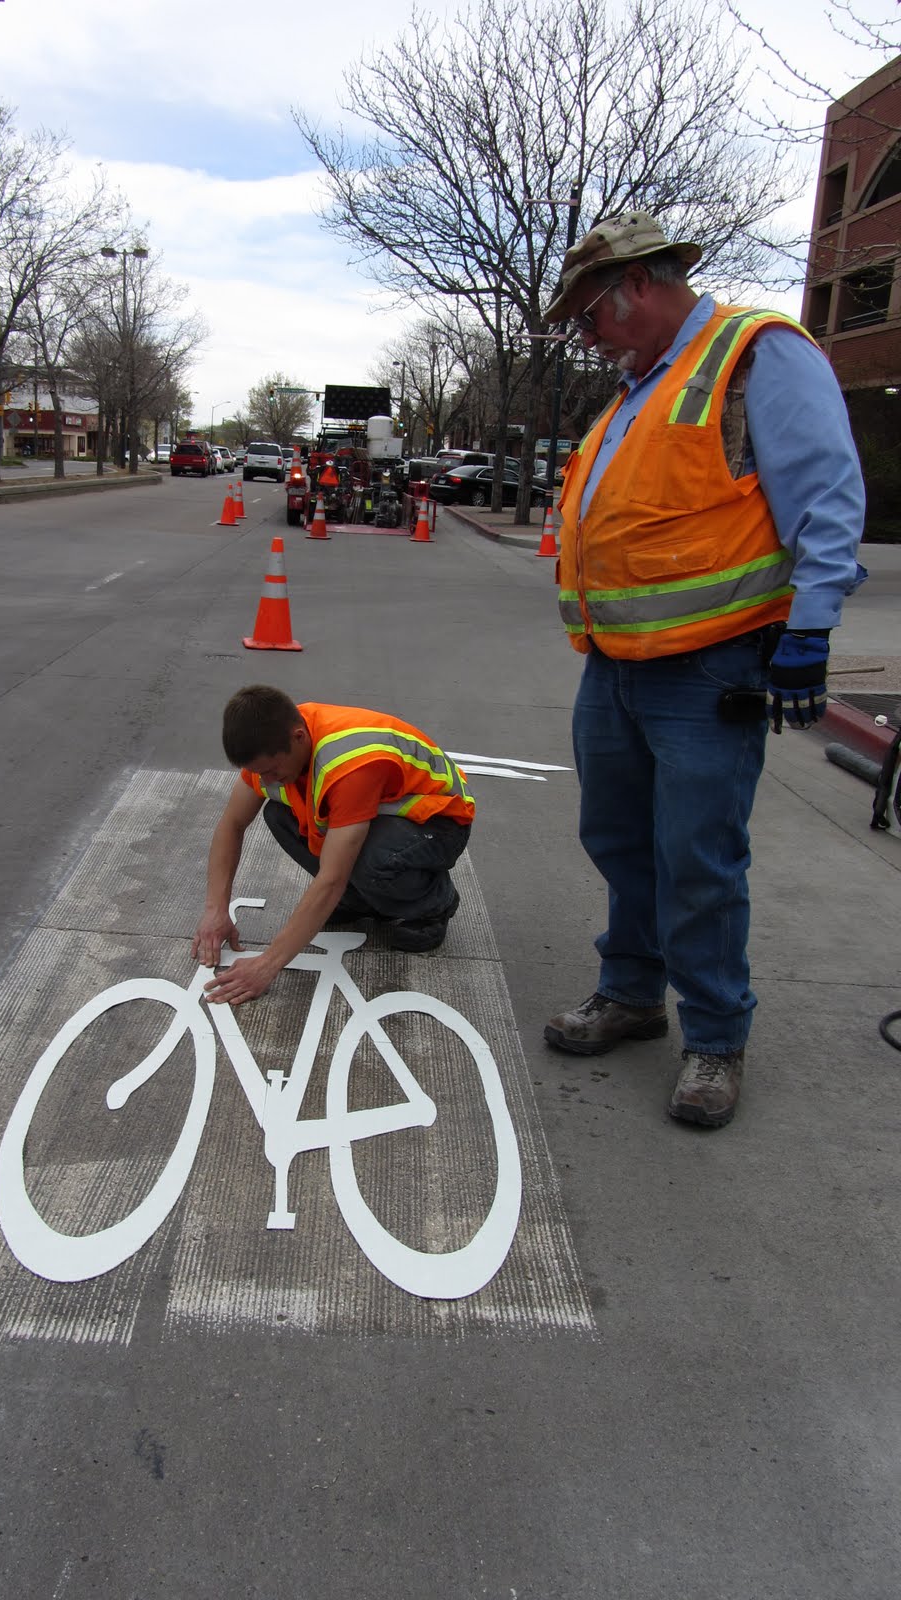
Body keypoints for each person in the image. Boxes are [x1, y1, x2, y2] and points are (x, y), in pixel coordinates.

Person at [541, 211, 866, 1129]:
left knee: (699, 859)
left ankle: (716, 1038)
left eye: (590, 313)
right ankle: (633, 992)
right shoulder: (636, 390)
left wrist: (809, 631)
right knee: (621, 841)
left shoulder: (756, 353)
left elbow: (827, 496)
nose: (585, 332)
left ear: (638, 285)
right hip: (614, 667)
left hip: (709, 668)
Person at [193, 685, 474, 1006]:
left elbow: (332, 878)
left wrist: (267, 965)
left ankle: (434, 903)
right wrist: (216, 911)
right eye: (258, 773)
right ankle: (361, 899)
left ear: (298, 737)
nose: (266, 780)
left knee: (372, 859)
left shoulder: (349, 765)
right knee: (278, 814)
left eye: (270, 771)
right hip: (381, 819)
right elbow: (232, 824)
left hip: (439, 824)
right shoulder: (273, 742)